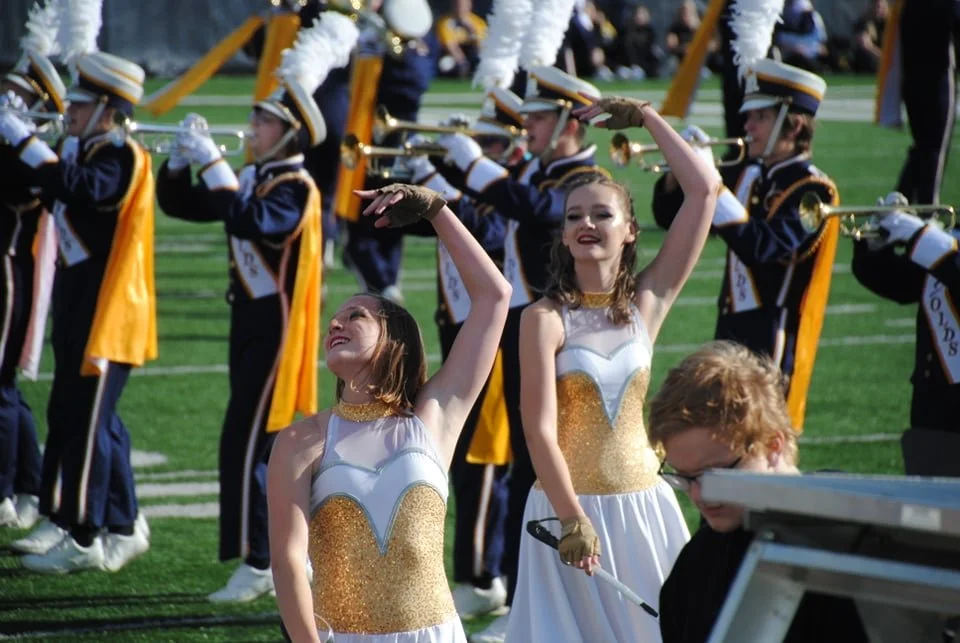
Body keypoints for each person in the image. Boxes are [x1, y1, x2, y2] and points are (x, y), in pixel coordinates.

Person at [501, 96, 718, 642]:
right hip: (567, 509)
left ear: (628, 231)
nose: (586, 224)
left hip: (645, 505)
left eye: (602, 214)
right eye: (574, 216)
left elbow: (704, 191)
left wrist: (647, 117)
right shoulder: (545, 318)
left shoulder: (647, 302)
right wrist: (573, 517)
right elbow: (538, 430)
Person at [155, 13, 349, 602]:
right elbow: (186, 205)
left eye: (262, 121)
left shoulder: (293, 188)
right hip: (249, 326)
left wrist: (217, 169)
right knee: (251, 442)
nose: (251, 127)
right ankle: (271, 555)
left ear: (289, 134)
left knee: (252, 443)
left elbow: (251, 219)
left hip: (278, 336)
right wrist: (179, 161)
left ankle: (261, 561)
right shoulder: (254, 177)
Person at [267, 182, 512, 642]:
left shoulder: (433, 420)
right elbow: (287, 563)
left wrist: (436, 210)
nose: (336, 322)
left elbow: (495, 296)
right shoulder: (301, 441)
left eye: (357, 315)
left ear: (395, 340)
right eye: (335, 318)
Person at [434, 66, 603, 643]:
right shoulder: (543, 169)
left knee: (543, 469)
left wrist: (471, 164)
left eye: (536, 116)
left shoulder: (583, 179)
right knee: (524, 472)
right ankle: (519, 592)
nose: (525, 124)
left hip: (563, 337)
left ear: (566, 121)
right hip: (524, 330)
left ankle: (535, 599)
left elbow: (537, 208)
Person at [3, 48, 156, 573]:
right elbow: (44, 189)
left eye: (81, 104)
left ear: (108, 110)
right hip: (79, 305)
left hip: (111, 311)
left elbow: (81, 191)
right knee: (79, 416)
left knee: (87, 424)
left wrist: (25, 140)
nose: (68, 110)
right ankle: (119, 521)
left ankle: (84, 534)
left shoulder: (119, 157)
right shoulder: (84, 151)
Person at [652, 57, 840, 431]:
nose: (747, 127)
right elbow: (668, 217)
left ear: (794, 123)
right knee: (722, 436)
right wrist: (681, 171)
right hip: (731, 327)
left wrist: (711, 184)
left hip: (774, 338)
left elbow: (763, 247)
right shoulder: (747, 172)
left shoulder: (813, 191)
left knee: (760, 438)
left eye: (760, 118)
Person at [648, 341, 869, 642]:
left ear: (772, 446)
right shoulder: (693, 571)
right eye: (684, 478)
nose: (699, 496)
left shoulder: (853, 533)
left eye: (714, 475)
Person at [0, 38, 65, 531]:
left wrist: (19, 133)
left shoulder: (37, 155)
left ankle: (8, 490)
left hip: (12, 269)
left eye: (18, 98)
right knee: (6, 387)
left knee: (1, 384)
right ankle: (26, 483)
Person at [851, 194, 960, 476]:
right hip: (933, 404)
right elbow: (900, 284)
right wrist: (875, 247)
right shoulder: (950, 237)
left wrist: (920, 236)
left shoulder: (943, 245)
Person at [893, 0, 957, 206]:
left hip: (912, 77)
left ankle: (898, 205)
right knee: (934, 148)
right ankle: (928, 209)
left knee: (922, 147)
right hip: (937, 77)